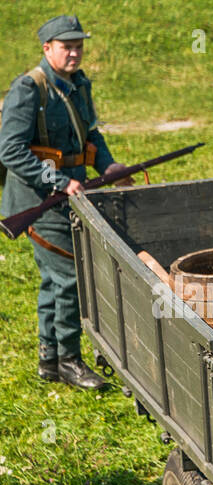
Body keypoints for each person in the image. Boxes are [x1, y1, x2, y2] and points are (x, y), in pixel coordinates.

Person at [0, 15, 135, 390]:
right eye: (66, 46)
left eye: (78, 46)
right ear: (47, 49)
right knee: (71, 278)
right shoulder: (29, 88)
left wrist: (109, 167)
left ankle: (49, 359)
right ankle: (69, 361)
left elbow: (90, 132)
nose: (74, 53)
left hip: (69, 195)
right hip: (38, 201)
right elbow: (10, 151)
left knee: (55, 279)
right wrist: (59, 181)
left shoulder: (78, 84)